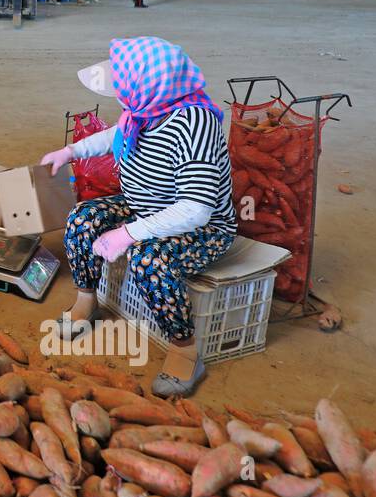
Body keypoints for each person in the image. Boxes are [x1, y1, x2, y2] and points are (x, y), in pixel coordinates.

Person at [40, 37, 236, 395]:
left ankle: (184, 350)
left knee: (149, 260)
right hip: (146, 206)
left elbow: (195, 209)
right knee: (83, 219)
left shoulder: (196, 124)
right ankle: (87, 300)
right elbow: (114, 136)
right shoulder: (146, 110)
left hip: (201, 226)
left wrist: (128, 234)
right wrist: (70, 151)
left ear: (151, 85)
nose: (119, 90)